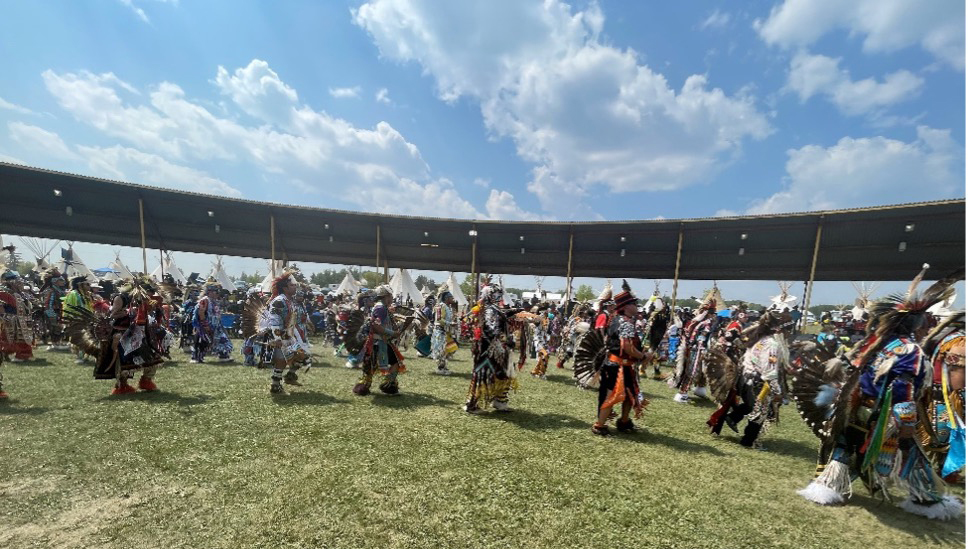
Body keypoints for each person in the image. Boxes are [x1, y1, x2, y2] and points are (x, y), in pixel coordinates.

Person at [795, 265, 964, 520]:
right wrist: (907, 424)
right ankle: (927, 500)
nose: (926, 327)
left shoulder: (877, 343)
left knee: (846, 446)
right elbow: (903, 388)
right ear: (916, 324)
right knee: (911, 453)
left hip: (858, 408)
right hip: (886, 417)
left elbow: (853, 370)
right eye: (924, 322)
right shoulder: (910, 351)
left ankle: (826, 487)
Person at [592, 280, 647, 435]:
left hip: (618, 364)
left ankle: (624, 421)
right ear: (626, 306)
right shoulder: (626, 323)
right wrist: (642, 356)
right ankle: (599, 425)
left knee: (630, 394)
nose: (636, 306)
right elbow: (626, 347)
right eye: (634, 304)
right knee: (612, 395)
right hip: (618, 366)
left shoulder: (616, 319)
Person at [464, 281, 516, 413]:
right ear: (490, 295)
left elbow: (501, 316)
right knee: (484, 374)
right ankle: (472, 404)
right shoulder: (489, 310)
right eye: (497, 294)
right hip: (488, 349)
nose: (499, 297)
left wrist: (513, 312)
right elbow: (491, 329)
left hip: (492, 347)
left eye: (500, 294)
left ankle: (500, 401)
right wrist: (505, 340)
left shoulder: (491, 308)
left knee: (504, 372)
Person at [353, 285, 405, 396]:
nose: (392, 298)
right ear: (386, 296)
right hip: (379, 343)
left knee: (371, 366)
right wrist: (392, 333)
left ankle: (364, 387)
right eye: (390, 296)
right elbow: (376, 326)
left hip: (378, 342)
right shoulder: (380, 308)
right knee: (395, 363)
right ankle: (388, 387)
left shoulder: (380, 307)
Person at [0, 271, 34, 363]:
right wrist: (4, 317)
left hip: (22, 319)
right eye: (17, 282)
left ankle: (22, 355)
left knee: (21, 338)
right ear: (10, 282)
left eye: (20, 282)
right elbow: (1, 307)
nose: (20, 284)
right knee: (8, 338)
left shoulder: (21, 294)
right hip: (10, 319)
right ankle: (6, 353)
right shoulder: (4, 292)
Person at [62, 275, 96, 364]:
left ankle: (84, 356)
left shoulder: (86, 295)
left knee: (87, 338)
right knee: (79, 338)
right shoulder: (73, 294)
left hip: (87, 320)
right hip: (76, 320)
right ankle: (80, 357)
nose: (89, 286)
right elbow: (68, 308)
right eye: (87, 284)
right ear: (80, 285)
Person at [431, 291, 457, 375]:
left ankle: (444, 367)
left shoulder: (447, 307)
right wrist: (450, 323)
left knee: (449, 349)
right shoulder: (441, 306)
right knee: (441, 350)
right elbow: (439, 319)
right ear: (446, 298)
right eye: (451, 297)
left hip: (445, 331)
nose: (452, 299)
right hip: (439, 331)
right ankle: (440, 368)